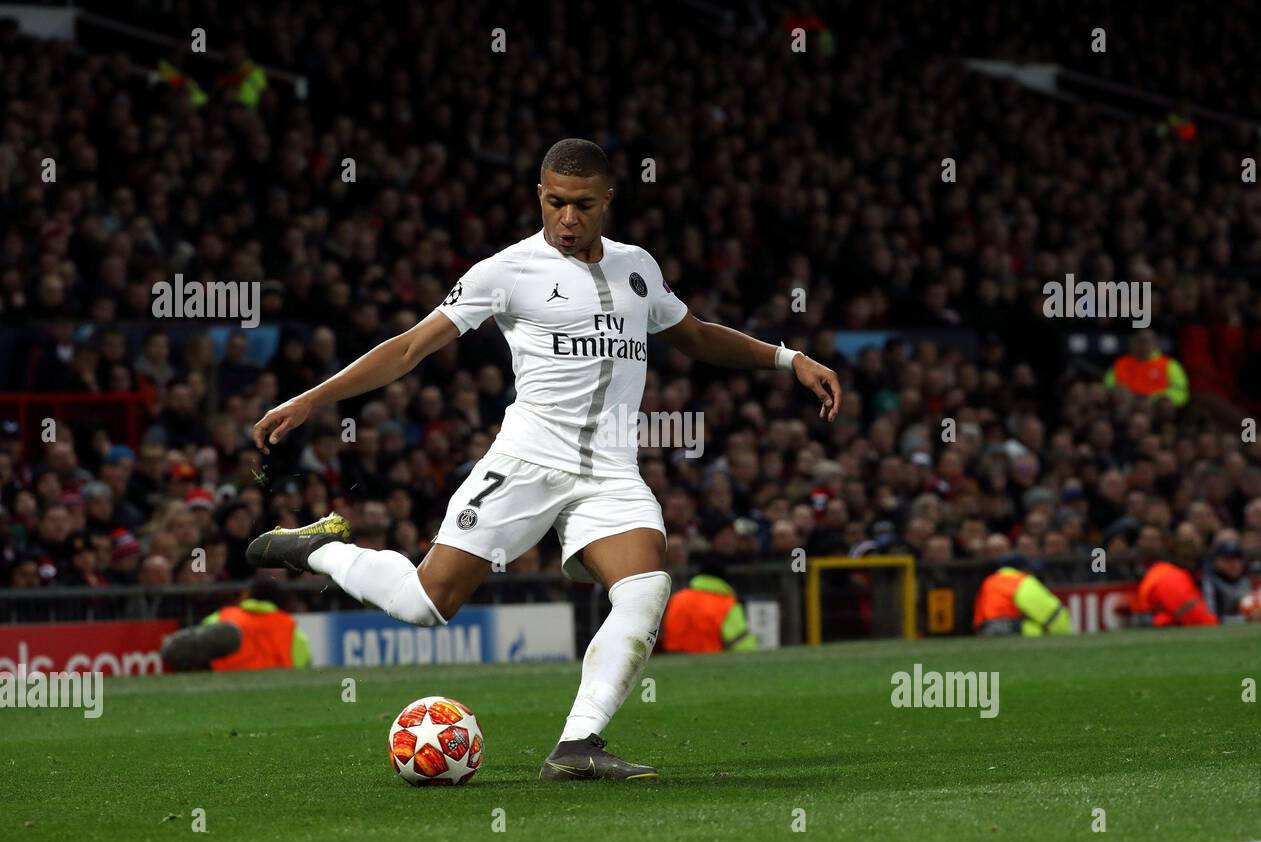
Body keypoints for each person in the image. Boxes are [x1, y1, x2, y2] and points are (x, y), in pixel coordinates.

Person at [245, 139, 841, 780]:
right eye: (555, 202)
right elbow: (410, 348)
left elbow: (694, 334)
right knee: (427, 603)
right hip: (528, 459)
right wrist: (313, 398)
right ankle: (314, 549)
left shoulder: (638, 267)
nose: (567, 218)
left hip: (610, 471)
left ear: (607, 200)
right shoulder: (505, 271)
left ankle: (578, 745)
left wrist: (788, 358)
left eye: (582, 205)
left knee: (644, 590)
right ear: (539, 196)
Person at [161, 577, 310, 671]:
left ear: (249, 595)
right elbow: (303, 662)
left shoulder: (224, 616)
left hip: (224, 684)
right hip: (277, 691)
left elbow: (199, 642)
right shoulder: (289, 627)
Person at [659, 557, 757, 653]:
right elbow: (742, 645)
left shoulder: (677, 599)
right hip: (711, 661)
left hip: (673, 659)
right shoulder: (727, 603)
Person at [971, 555, 1073, 637]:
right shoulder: (1022, 581)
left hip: (986, 632)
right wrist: (1064, 633)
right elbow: (1052, 614)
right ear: (1024, 569)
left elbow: (979, 618)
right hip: (1011, 632)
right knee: (1036, 629)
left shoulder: (989, 581)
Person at [1130, 535, 1219, 628]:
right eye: (1186, 556)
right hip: (1148, 625)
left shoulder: (1164, 571)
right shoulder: (1171, 578)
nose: (1190, 557)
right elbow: (1199, 619)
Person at [1103, 329, 1190, 407]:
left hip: (1154, 407)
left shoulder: (1169, 364)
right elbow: (1108, 386)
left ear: (1155, 343)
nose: (1142, 345)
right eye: (1139, 341)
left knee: (1164, 405)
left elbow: (1181, 392)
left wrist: (1154, 398)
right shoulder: (1121, 363)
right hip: (1127, 405)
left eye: (1146, 341)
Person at [1200, 539, 1253, 624]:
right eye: (1227, 559)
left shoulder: (1245, 581)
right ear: (1216, 561)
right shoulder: (1210, 582)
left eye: (1237, 559)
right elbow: (1210, 616)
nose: (1233, 564)